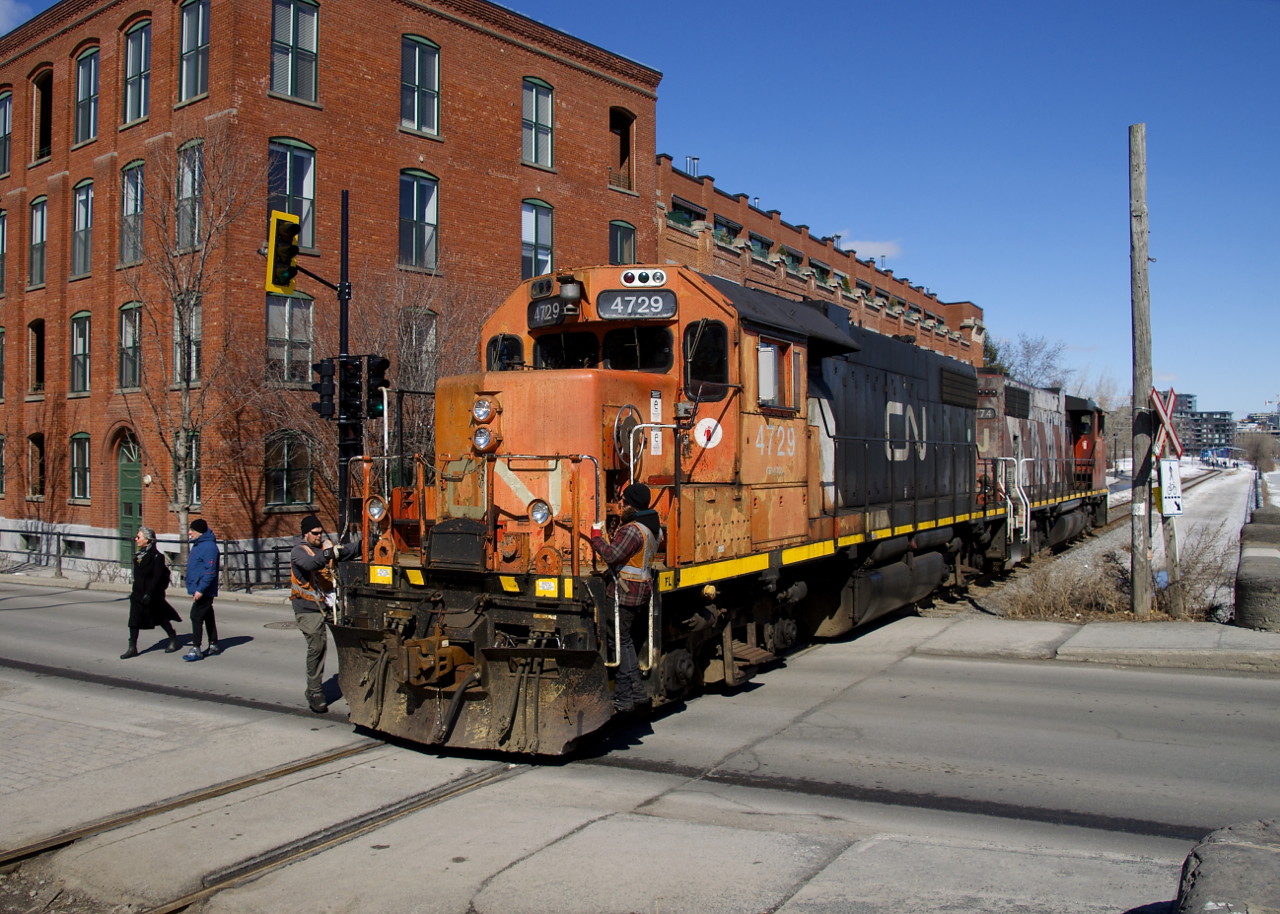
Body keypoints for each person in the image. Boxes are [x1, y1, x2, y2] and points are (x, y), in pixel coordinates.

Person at [589, 483, 663, 713]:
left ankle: (624, 696)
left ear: (632, 504)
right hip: (641, 589)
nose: (620, 504)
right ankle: (638, 692)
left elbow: (611, 555)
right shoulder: (654, 528)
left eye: (624, 501)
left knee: (620, 643)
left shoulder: (633, 530)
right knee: (626, 641)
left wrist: (596, 537)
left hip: (624, 591)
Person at [291, 515, 359, 713]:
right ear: (306, 534)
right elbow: (311, 564)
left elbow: (348, 551)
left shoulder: (324, 547)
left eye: (321, 533)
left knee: (350, 634)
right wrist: (329, 553)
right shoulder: (298, 552)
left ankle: (355, 680)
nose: (319, 536)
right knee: (317, 646)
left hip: (328, 605)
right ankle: (314, 691)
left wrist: (371, 542)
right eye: (315, 533)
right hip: (307, 608)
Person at [121, 526, 182, 659]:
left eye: (138, 537)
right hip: (137, 593)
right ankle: (132, 647)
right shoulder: (138, 555)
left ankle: (173, 638)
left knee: (162, 618)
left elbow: (157, 576)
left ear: (148, 540)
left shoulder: (157, 557)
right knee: (134, 620)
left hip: (152, 594)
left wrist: (149, 593)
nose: (135, 539)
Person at [183, 519, 221, 661]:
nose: (189, 532)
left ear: (199, 532)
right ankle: (213, 644)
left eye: (192, 530)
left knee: (196, 616)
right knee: (208, 616)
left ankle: (196, 648)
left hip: (204, 589)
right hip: (199, 588)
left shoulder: (209, 547)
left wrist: (200, 589)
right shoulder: (198, 544)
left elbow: (210, 571)